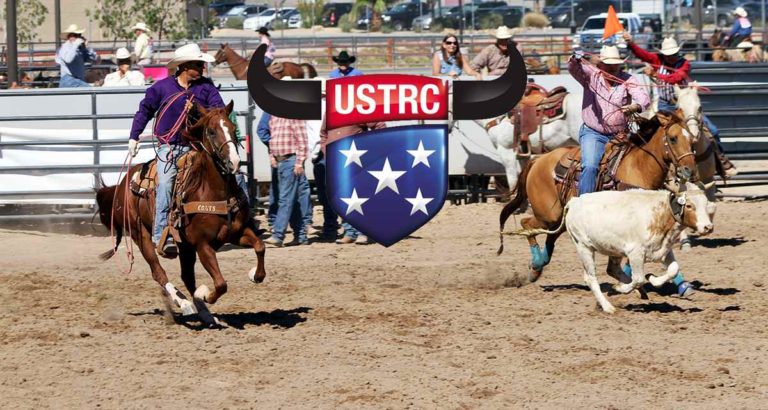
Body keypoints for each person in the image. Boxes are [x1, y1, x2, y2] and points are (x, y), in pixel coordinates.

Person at [127, 43, 221, 256]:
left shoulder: (206, 88)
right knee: (166, 183)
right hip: (169, 148)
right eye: (198, 64)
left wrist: (197, 110)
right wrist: (134, 136)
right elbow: (145, 111)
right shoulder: (161, 88)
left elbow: (217, 112)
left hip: (197, 148)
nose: (202, 68)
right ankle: (161, 233)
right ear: (185, 66)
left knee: (227, 174)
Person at [624, 33, 738, 177]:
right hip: (665, 105)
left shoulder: (684, 63)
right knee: (652, 131)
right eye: (669, 54)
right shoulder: (657, 59)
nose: (671, 57)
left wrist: (656, 75)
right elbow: (643, 55)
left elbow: (676, 78)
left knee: (713, 131)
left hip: (684, 105)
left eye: (673, 54)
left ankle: (722, 161)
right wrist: (631, 43)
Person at [569, 44, 651, 197]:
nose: (613, 68)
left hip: (620, 134)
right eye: (609, 65)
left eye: (616, 64)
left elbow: (643, 97)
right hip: (594, 133)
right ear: (600, 64)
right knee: (591, 165)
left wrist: (636, 106)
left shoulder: (628, 79)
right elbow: (574, 69)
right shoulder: (590, 76)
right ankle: (585, 203)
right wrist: (575, 59)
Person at [326, 55, 378, 244]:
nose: (343, 65)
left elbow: (379, 126)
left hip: (357, 156)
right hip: (338, 156)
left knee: (358, 194)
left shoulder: (361, 107)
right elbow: (324, 133)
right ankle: (350, 231)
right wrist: (326, 151)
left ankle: (362, 230)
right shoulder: (332, 108)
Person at [264, 81, 310, 247]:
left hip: (290, 160)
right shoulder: (275, 115)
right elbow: (272, 138)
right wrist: (272, 156)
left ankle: (278, 235)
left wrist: (299, 162)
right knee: (291, 199)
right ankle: (301, 236)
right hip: (280, 160)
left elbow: (302, 140)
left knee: (285, 199)